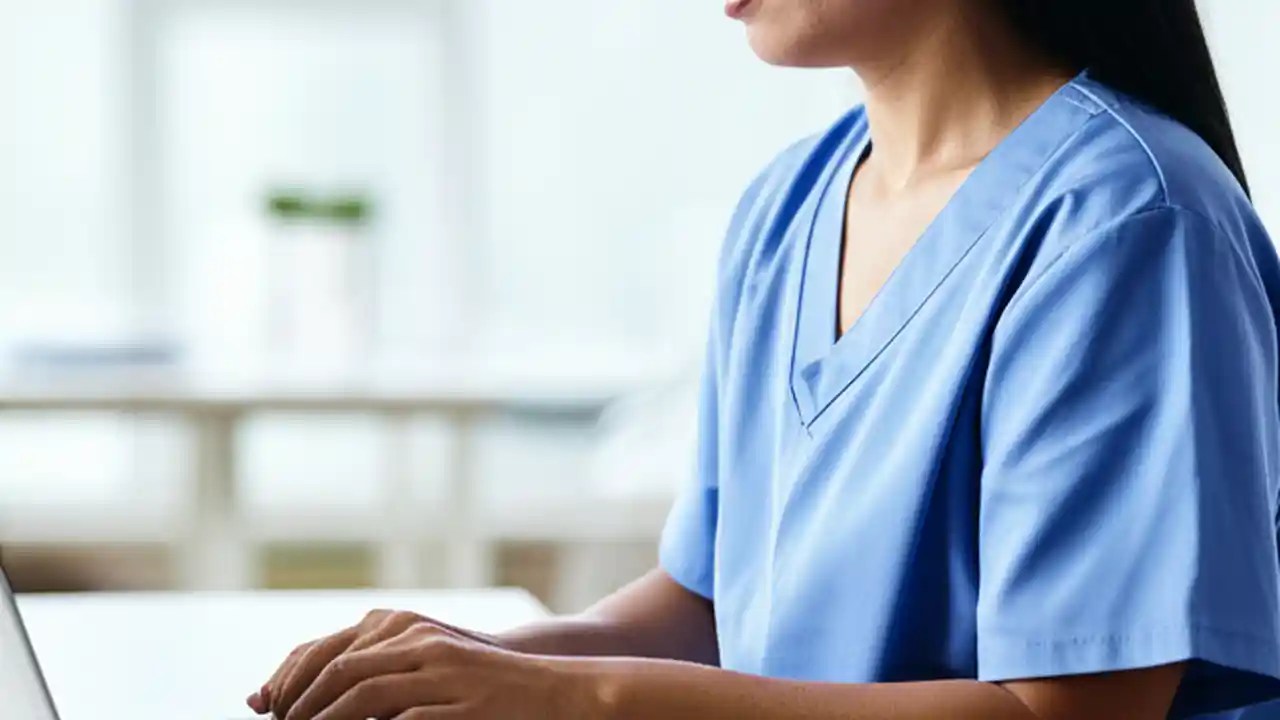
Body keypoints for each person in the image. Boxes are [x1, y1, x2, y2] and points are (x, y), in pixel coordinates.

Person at [247, 0, 1280, 718]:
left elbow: (1073, 713)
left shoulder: (1128, 222)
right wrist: (465, 667)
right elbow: (704, 607)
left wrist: (578, 701)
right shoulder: (787, 206)